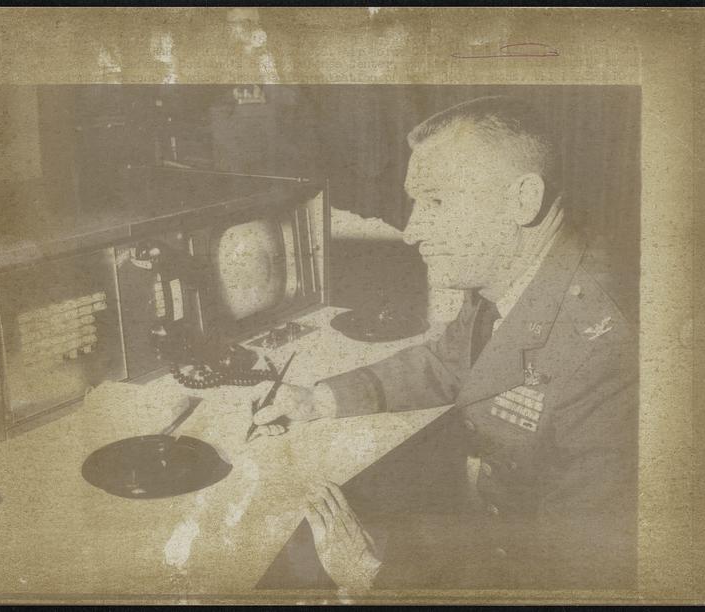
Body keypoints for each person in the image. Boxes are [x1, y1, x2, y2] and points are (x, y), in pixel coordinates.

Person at [252, 95, 638, 591]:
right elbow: (451, 361)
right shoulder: (514, 276)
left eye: (436, 201)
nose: (412, 231)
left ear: (523, 199)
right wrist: (317, 400)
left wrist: (375, 579)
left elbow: (578, 580)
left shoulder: (606, 352)